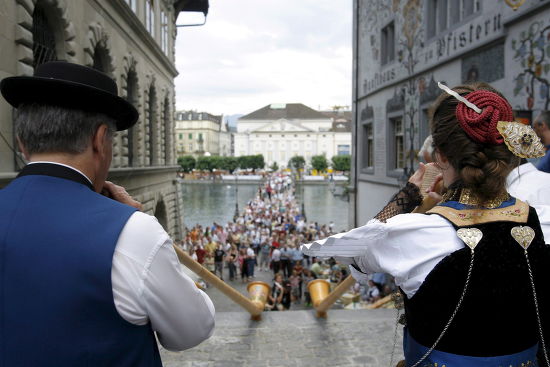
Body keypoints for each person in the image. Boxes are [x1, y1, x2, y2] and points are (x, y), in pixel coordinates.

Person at [302, 82, 550, 366]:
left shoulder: (413, 233)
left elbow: (352, 253)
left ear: (440, 156)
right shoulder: (540, 219)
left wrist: (408, 197)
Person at [0, 61, 215, 366]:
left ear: (22, 143)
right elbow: (193, 329)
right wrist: (133, 224)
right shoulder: (132, 232)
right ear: (100, 140)